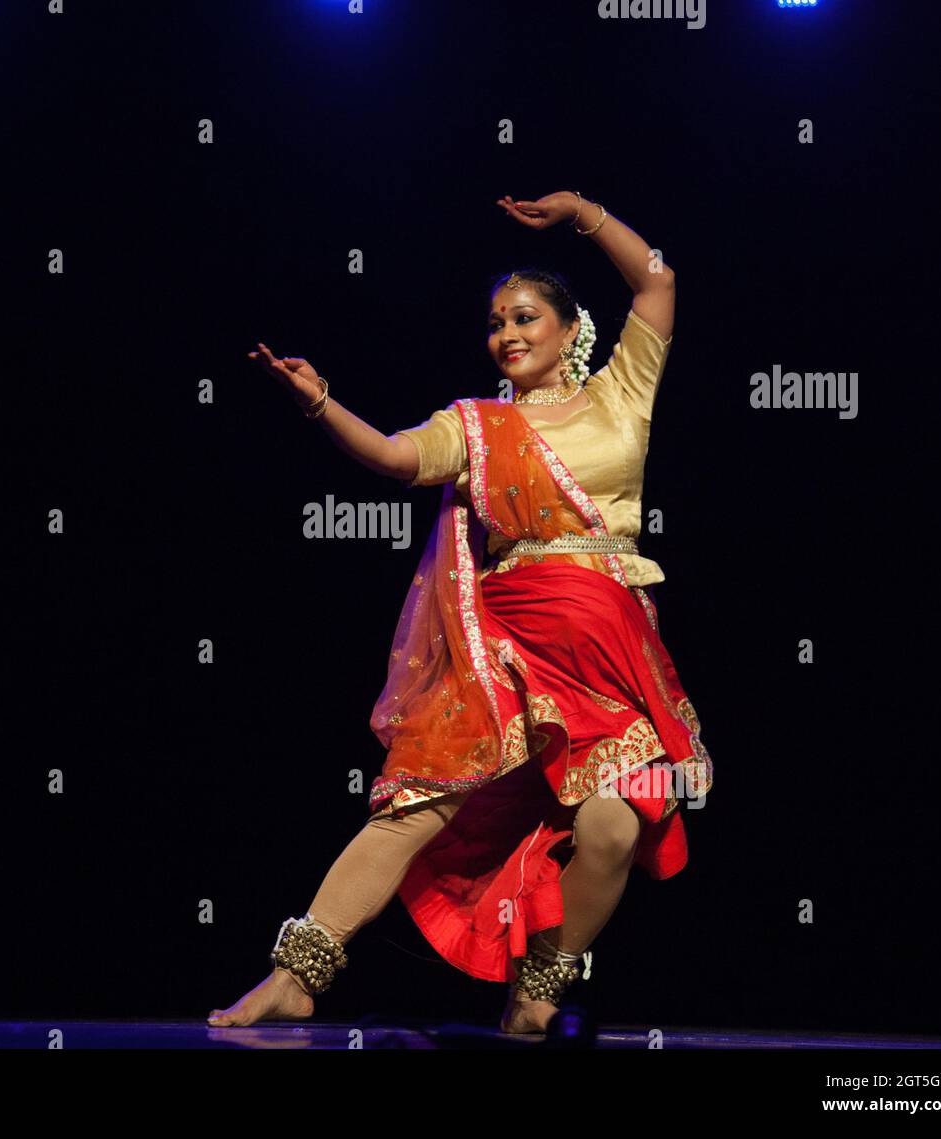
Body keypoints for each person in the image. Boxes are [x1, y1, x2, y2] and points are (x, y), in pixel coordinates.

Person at [208, 191, 713, 1034]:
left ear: (569, 326)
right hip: (508, 649)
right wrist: (318, 399)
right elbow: (397, 456)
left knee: (615, 827)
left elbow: (658, 283)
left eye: (523, 317)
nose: (506, 334)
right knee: (420, 802)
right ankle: (296, 975)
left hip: (609, 655)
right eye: (494, 324)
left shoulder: (624, 394)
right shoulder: (477, 428)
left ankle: (537, 995)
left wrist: (581, 214)